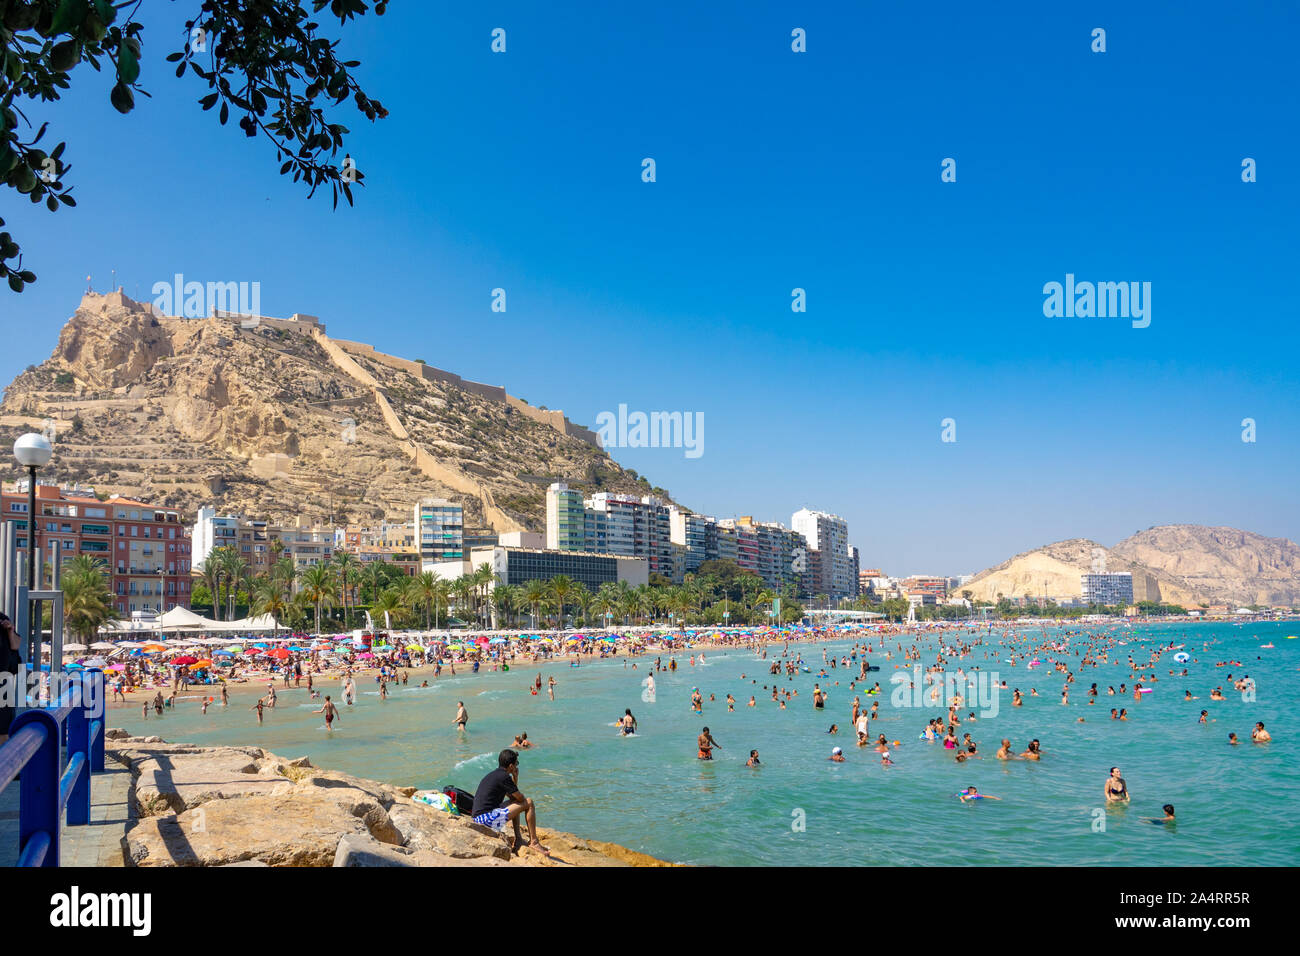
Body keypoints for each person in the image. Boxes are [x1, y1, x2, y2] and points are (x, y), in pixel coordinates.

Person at [470, 749, 548, 856]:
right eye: (516, 764)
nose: (517, 766)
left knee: (515, 803)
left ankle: (518, 839)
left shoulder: (496, 774)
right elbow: (520, 798)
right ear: (511, 766)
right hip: (486, 820)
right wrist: (515, 778)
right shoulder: (504, 777)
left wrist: (515, 778)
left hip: (479, 817)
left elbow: (513, 798)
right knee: (529, 802)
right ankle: (534, 842)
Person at [0, 612, 22, 745]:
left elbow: (15, 645)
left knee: (3, 728)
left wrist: (10, 630)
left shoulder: (2, 619)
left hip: (3, 682)